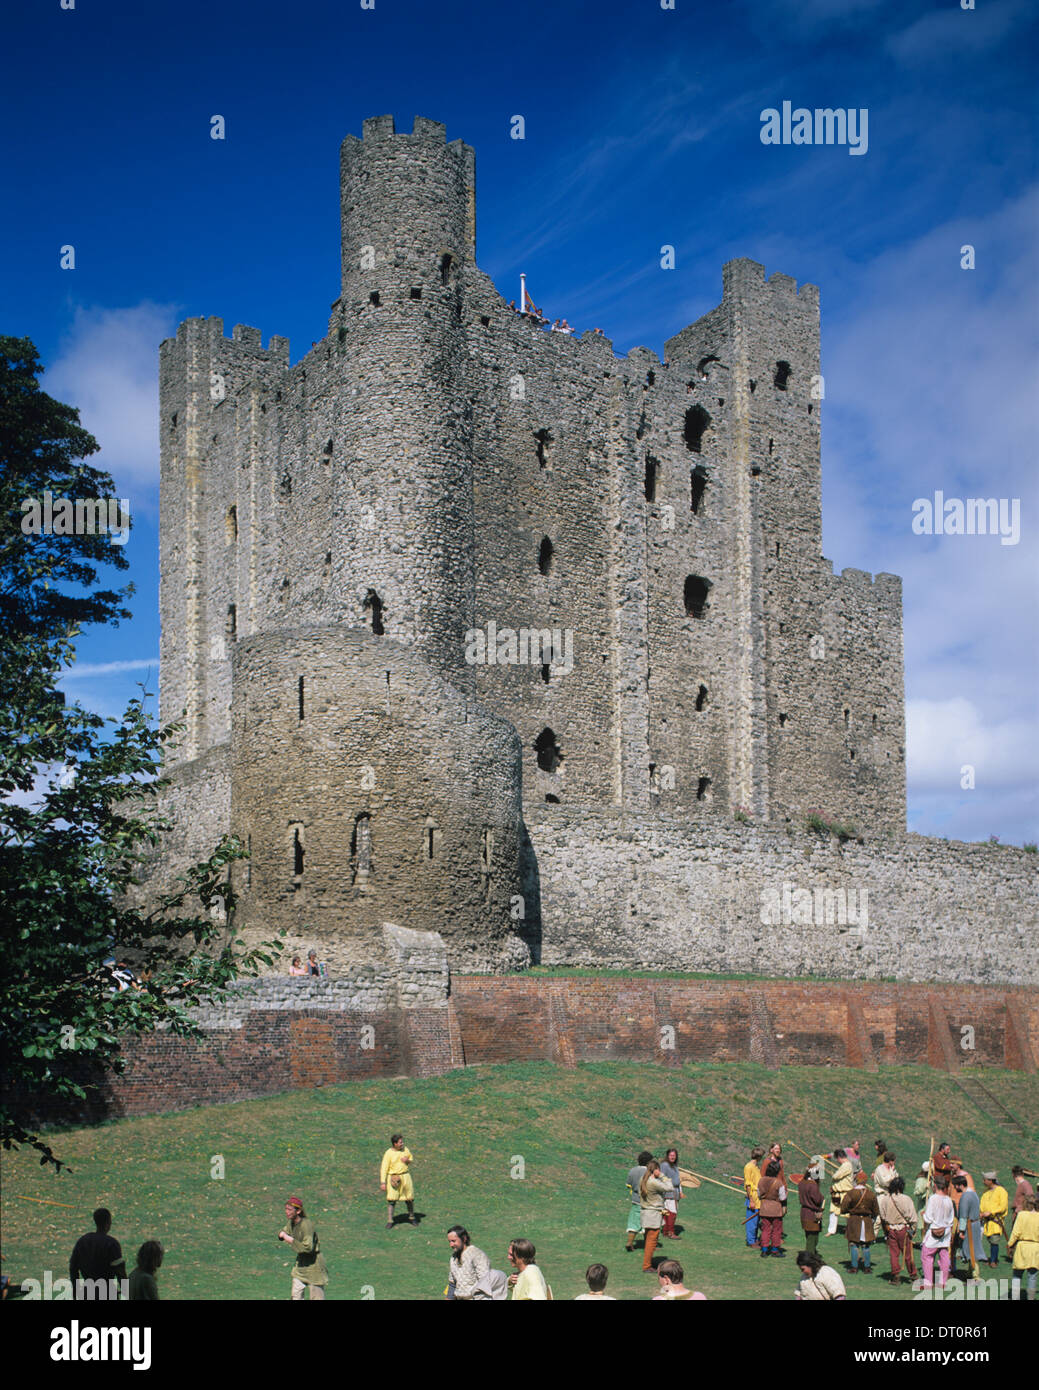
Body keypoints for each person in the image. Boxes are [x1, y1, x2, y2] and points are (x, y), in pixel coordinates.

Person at [69, 1208, 126, 1298]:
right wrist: (126, 1292)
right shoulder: (111, 1244)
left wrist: (76, 1290)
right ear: (109, 1222)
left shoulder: (83, 1241)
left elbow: (73, 1268)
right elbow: (120, 1272)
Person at [278, 1197, 328, 1300]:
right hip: (300, 1266)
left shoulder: (306, 1225)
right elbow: (284, 1232)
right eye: (286, 1209)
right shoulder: (291, 1222)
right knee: (295, 1295)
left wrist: (288, 1238)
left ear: (298, 1211)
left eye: (290, 1209)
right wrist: (282, 1235)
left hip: (314, 1266)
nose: (286, 1212)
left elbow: (308, 1248)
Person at [877, 1175, 917, 1283]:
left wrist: (887, 1230)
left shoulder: (885, 1200)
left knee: (894, 1254)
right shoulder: (906, 1199)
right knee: (908, 1254)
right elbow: (913, 1217)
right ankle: (913, 1276)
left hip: (891, 1230)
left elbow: (883, 1216)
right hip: (903, 1229)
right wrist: (913, 1230)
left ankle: (896, 1276)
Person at [841, 1172, 879, 1274]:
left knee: (854, 1244)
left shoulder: (851, 1193)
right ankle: (867, 1268)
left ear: (856, 1180)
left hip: (854, 1221)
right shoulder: (871, 1194)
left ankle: (854, 1267)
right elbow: (876, 1211)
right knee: (866, 1245)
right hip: (866, 1221)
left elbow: (843, 1208)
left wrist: (850, 1210)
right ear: (865, 1181)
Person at [920, 1178, 955, 1290]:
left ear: (935, 1185)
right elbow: (951, 1219)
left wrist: (923, 1215)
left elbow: (929, 1218)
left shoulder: (933, 1198)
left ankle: (928, 1283)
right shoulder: (949, 1200)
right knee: (944, 1257)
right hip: (945, 1231)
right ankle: (943, 1282)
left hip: (934, 1231)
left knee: (927, 1256)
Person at [639, 1159, 671, 1271]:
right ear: (655, 1169)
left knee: (648, 1240)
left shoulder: (643, 1179)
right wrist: (662, 1176)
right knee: (651, 1242)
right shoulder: (653, 1182)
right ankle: (647, 1266)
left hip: (646, 1213)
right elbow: (669, 1187)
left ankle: (647, 1263)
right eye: (658, 1169)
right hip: (653, 1215)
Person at [1007, 1195, 1039, 1302]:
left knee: (1017, 1275)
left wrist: (1010, 1244)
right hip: (1035, 1248)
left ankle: (1015, 1298)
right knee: (1032, 1276)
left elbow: (1016, 1232)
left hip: (1022, 1247)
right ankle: (1031, 1298)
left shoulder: (1021, 1215)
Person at [380, 1132, 416, 1227]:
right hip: (393, 1178)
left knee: (409, 1199)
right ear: (395, 1143)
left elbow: (411, 1160)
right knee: (392, 1200)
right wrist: (383, 1182)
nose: (402, 1144)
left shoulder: (405, 1150)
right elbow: (384, 1168)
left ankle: (411, 1217)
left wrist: (407, 1161)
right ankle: (390, 1220)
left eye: (402, 1142)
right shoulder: (388, 1153)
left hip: (405, 1176)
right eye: (400, 1142)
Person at [446, 1225, 490, 1300]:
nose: (451, 1245)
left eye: (453, 1241)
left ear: (464, 1238)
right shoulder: (453, 1258)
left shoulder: (477, 1255)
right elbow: (452, 1284)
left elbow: (485, 1283)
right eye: (449, 1241)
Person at [952, 1175, 982, 1280]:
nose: (955, 1189)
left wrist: (961, 1231)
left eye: (956, 1186)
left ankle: (975, 1277)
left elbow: (964, 1216)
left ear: (960, 1185)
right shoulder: (974, 1194)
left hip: (970, 1227)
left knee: (972, 1252)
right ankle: (970, 1273)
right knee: (971, 1250)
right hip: (976, 1224)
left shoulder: (965, 1197)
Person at [979, 1171, 1009, 1266]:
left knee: (994, 1241)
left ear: (991, 1181)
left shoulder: (1001, 1191)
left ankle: (993, 1261)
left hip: (995, 1220)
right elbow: (982, 1205)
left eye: (985, 1180)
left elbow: (1003, 1206)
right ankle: (992, 1259)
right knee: (990, 1240)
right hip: (987, 1221)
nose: (983, 1182)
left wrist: (991, 1212)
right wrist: (982, 1213)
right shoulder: (985, 1192)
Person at [758, 1160, 785, 1257]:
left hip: (764, 1208)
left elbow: (758, 1194)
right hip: (776, 1209)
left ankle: (764, 1250)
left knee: (765, 1230)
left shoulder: (761, 1180)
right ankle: (774, 1250)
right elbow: (782, 1198)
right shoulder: (778, 1182)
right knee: (776, 1230)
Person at [626, 1150, 653, 1251]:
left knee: (634, 1223)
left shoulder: (632, 1170)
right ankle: (648, 1245)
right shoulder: (649, 1172)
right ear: (648, 1162)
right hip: (647, 1201)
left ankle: (629, 1242)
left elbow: (628, 1185)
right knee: (648, 1224)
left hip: (635, 1200)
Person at [797, 1161, 824, 1256]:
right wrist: (822, 1197)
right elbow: (817, 1199)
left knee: (810, 1236)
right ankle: (809, 1257)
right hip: (811, 1213)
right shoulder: (812, 1184)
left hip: (804, 1212)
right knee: (812, 1238)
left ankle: (811, 1253)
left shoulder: (802, 1183)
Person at [827, 1148, 854, 1236]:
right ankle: (831, 1230)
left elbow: (836, 1176)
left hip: (845, 1192)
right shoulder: (844, 1165)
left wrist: (833, 1175)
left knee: (847, 1213)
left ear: (839, 1157)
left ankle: (850, 1230)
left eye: (837, 1159)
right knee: (833, 1211)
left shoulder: (847, 1165)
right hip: (837, 1193)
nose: (837, 1161)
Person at [659, 1146, 683, 1239]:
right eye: (671, 1155)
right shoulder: (665, 1165)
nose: (672, 1157)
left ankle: (665, 1231)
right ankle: (670, 1232)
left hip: (675, 1191)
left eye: (674, 1155)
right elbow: (661, 1178)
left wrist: (680, 1191)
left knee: (668, 1212)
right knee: (672, 1212)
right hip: (669, 1192)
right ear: (667, 1156)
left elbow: (678, 1180)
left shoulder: (674, 1166)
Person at [744, 1146, 764, 1249]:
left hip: (758, 1198)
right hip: (753, 1198)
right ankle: (751, 1241)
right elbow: (748, 1185)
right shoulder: (749, 1167)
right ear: (759, 1157)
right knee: (751, 1222)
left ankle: (755, 1239)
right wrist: (751, 1200)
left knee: (756, 1221)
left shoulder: (756, 1167)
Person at [913, 1161, 932, 1225]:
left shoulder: (931, 1179)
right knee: (924, 1225)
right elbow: (917, 1193)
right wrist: (925, 1188)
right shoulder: (921, 1180)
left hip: (931, 1205)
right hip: (923, 1206)